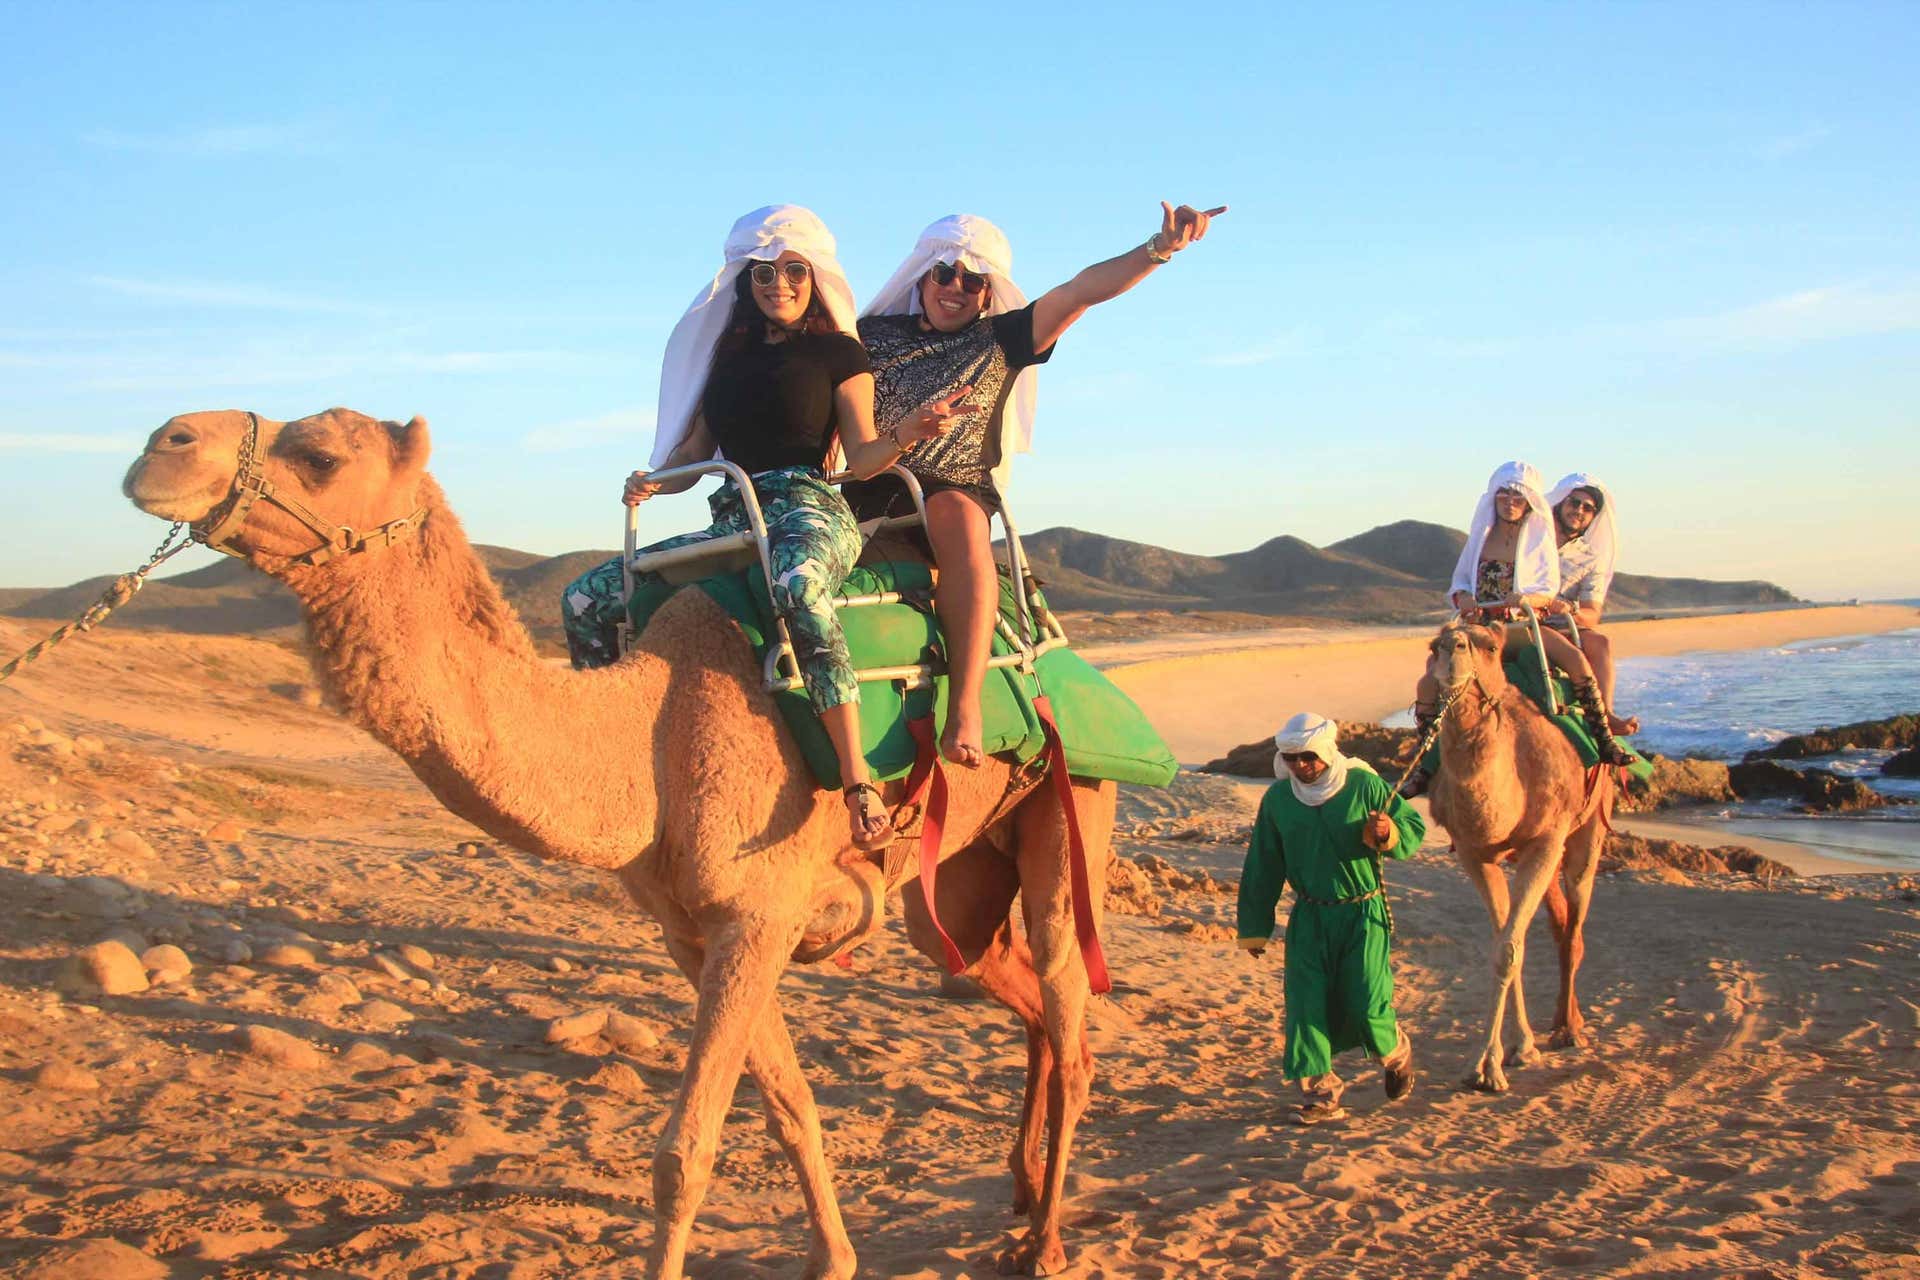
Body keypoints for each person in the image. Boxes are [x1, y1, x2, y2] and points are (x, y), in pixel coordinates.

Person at [558, 205, 950, 852]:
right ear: (745, 280)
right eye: (763, 272)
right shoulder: (725, 361)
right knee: (584, 599)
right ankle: (610, 753)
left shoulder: (837, 352)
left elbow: (862, 455)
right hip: (734, 517)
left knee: (797, 584)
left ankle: (857, 779)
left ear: (814, 275)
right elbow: (692, 459)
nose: (779, 284)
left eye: (794, 270)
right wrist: (653, 480)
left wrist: (906, 434)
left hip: (809, 507)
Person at [844, 203, 1225, 768]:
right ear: (923, 276)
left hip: (953, 487)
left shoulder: (1004, 336)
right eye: (945, 274)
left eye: (974, 281)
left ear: (988, 290)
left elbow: (1079, 293)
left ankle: (966, 709)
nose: (956, 289)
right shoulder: (868, 336)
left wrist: (1159, 248)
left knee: (954, 510)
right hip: (870, 480)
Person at [1399, 461, 1633, 797]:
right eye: (1505, 493)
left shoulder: (1536, 537)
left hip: (1522, 624)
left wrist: (1527, 598)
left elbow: (1547, 586)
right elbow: (1461, 580)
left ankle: (1604, 736)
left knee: (1576, 659)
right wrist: (1464, 597)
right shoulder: (1481, 536)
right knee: (1429, 678)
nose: (1510, 500)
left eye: (1518, 496)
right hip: (1480, 625)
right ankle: (1424, 764)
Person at [1238, 712, 1425, 1124]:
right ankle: (1320, 1094)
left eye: (1308, 756)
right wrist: (1255, 927)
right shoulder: (1279, 802)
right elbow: (1263, 865)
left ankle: (1395, 1053)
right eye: (1291, 758)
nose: (1301, 765)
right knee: (1305, 1008)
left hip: (1362, 915)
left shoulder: (1363, 785)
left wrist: (1387, 832)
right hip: (1309, 918)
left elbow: (1411, 829)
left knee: (1367, 1003)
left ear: (1324, 751)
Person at [1546, 472, 1637, 735]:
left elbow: (1592, 613)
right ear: (1561, 502)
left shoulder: (1590, 558)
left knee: (1600, 642)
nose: (1579, 511)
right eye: (1574, 502)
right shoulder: (1533, 541)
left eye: (1588, 508)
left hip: (1560, 624)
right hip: (1518, 616)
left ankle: (1605, 714)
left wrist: (1569, 610)